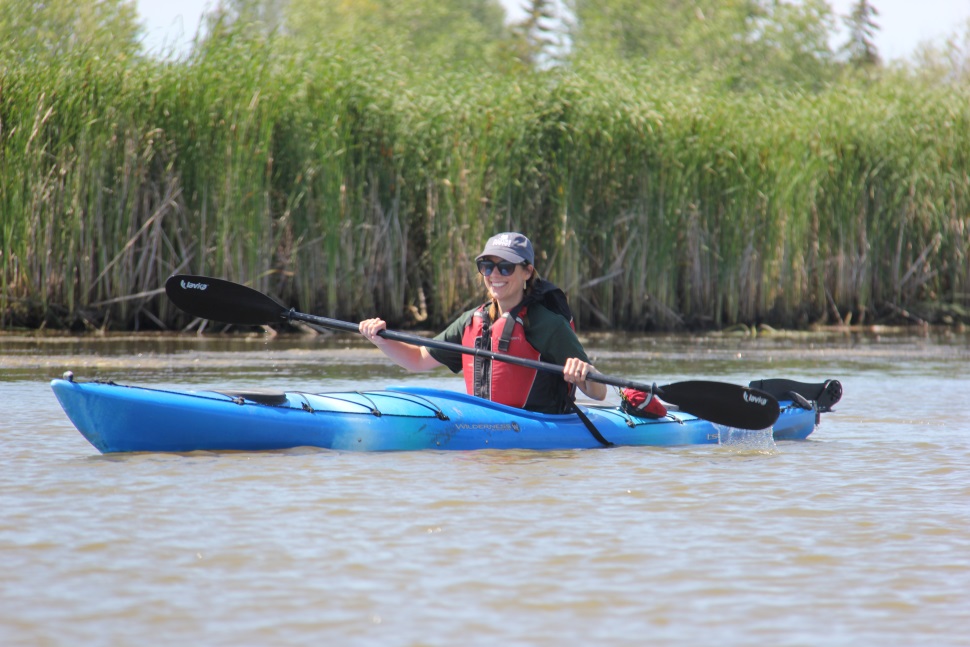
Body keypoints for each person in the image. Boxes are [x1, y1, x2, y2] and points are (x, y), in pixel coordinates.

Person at [359, 232, 607, 414]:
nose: (494, 275)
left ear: (527, 272)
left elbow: (599, 392)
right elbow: (417, 359)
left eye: (506, 267)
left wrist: (585, 374)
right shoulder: (471, 321)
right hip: (483, 422)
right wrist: (380, 339)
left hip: (539, 426)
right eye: (487, 267)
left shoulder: (548, 325)